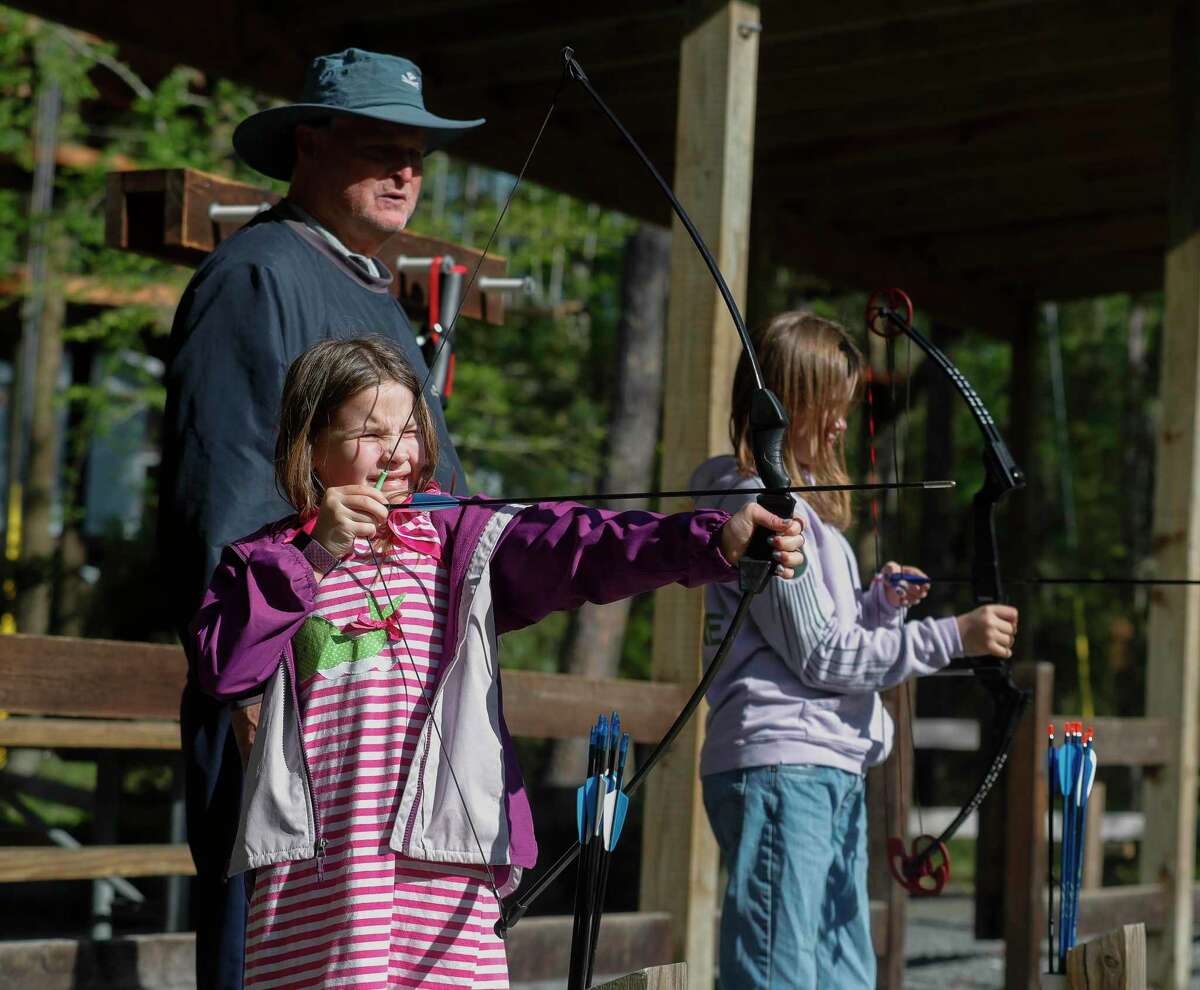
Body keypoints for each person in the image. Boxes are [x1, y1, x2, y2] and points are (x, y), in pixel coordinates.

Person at [188, 336, 806, 988]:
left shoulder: (457, 541)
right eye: (370, 434)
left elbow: (581, 546)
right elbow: (226, 668)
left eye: (408, 431)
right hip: (321, 876)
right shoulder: (269, 558)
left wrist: (714, 537)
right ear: (311, 447)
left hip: (442, 861)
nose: (397, 454)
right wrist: (317, 553)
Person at [159, 48, 482, 988]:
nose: (404, 173)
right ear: (308, 145)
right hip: (289, 701)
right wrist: (248, 693)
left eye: (418, 156)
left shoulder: (374, 290)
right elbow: (217, 502)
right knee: (273, 956)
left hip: (388, 703)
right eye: (381, 147)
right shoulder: (254, 276)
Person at [691, 312, 1019, 990]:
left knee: (845, 978)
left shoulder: (807, 517)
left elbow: (812, 638)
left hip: (824, 769)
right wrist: (954, 636)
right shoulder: (763, 511)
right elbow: (822, 658)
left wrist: (879, 606)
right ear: (781, 410)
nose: (842, 425)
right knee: (778, 974)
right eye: (828, 409)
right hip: (783, 769)